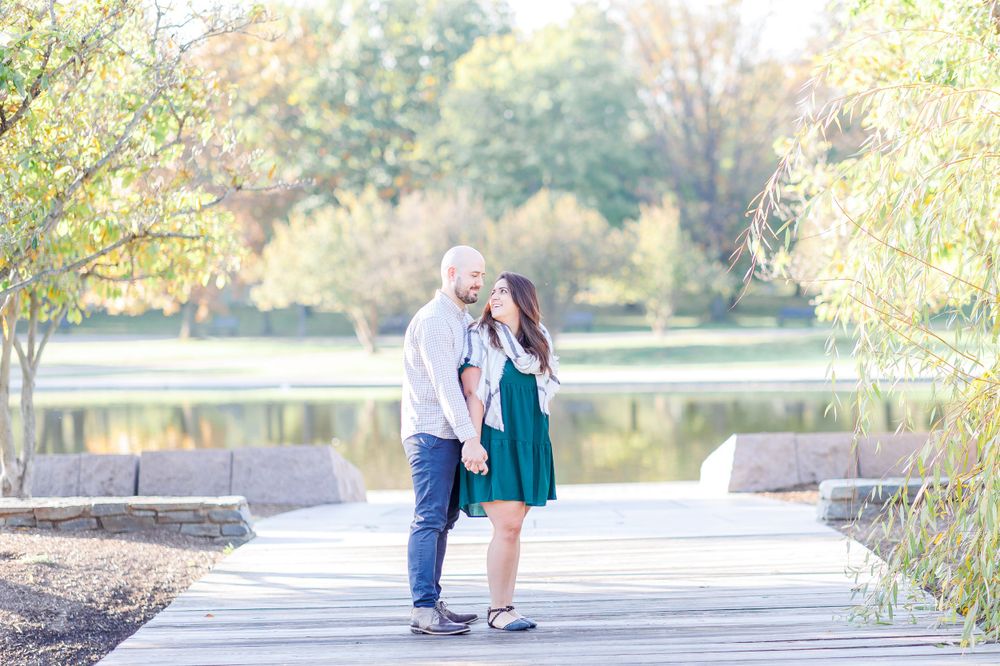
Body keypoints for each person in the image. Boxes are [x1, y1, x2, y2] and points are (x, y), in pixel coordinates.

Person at [457, 271, 560, 632]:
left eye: (503, 290)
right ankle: (498, 609)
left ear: (522, 299)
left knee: (514, 528)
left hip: (530, 438)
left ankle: (506, 606)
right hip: (495, 437)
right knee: (507, 525)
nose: (494, 296)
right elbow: (474, 392)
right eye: (493, 291)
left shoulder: (539, 341)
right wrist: (472, 440)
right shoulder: (480, 336)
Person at [401, 245, 490, 636]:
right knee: (429, 519)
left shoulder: (460, 319)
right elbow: (445, 388)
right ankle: (422, 611)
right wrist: (471, 438)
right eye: (474, 275)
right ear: (451, 272)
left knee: (444, 520)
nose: (480, 284)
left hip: (448, 433)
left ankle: (433, 601)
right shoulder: (435, 320)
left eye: (483, 277)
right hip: (430, 433)